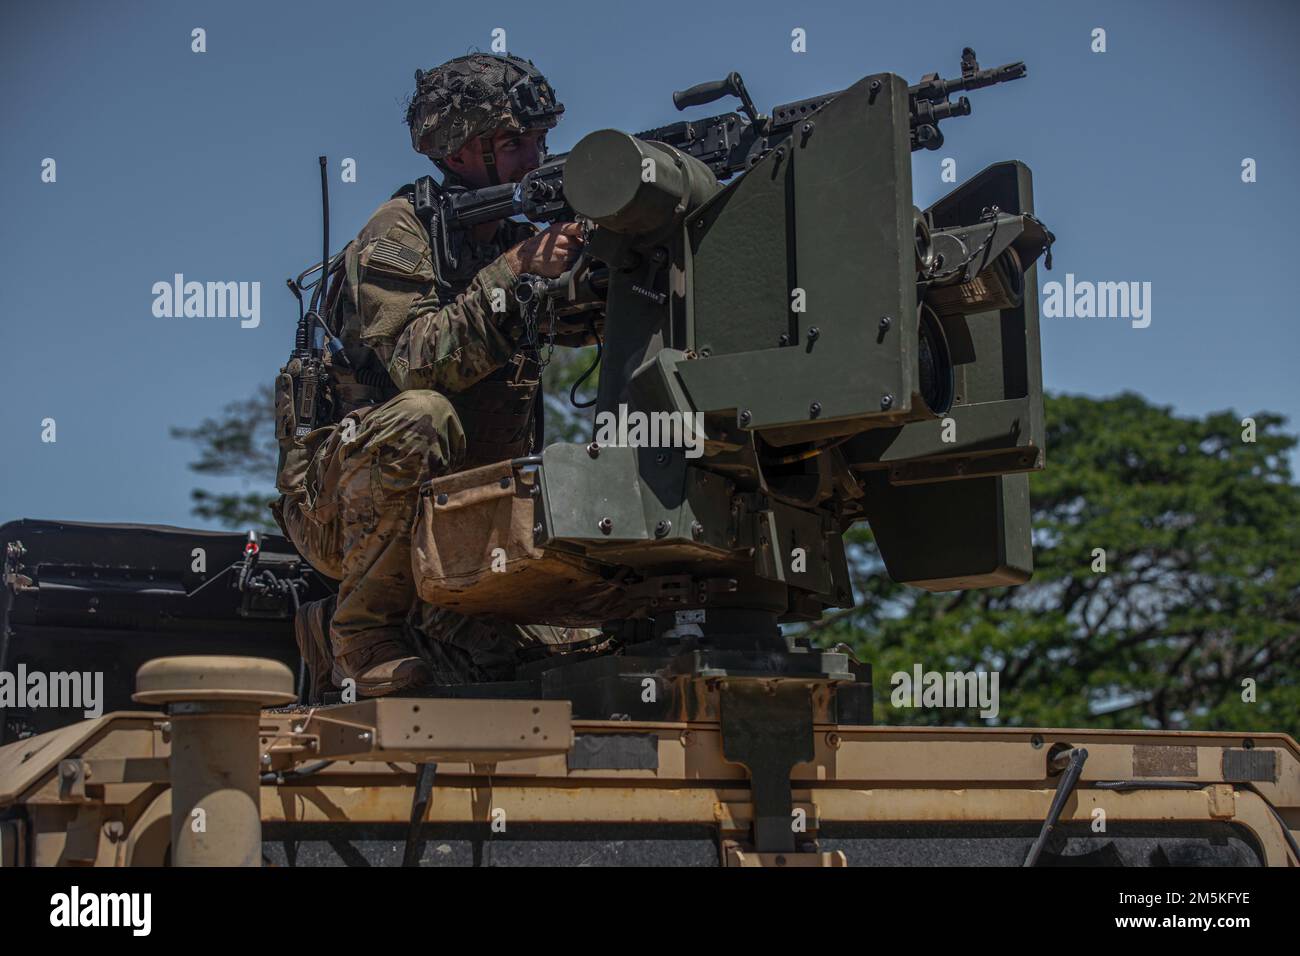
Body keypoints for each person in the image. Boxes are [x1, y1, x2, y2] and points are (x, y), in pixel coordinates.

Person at [272, 53, 597, 698]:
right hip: (341, 509)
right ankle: (360, 636)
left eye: (539, 140)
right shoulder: (397, 233)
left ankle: (440, 611)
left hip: (461, 507)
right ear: (460, 152)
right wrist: (518, 272)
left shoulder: (508, 229)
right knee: (424, 414)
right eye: (514, 143)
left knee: (588, 652)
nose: (536, 157)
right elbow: (420, 360)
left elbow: (591, 327)